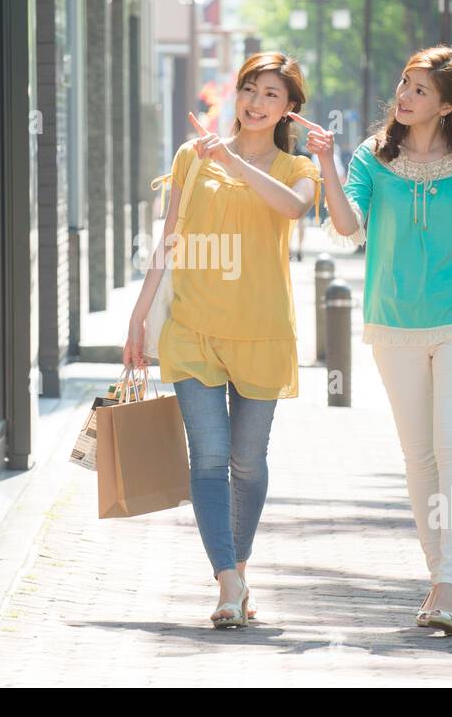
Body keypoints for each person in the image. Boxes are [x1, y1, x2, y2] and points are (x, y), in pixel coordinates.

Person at [314, 45, 452, 636]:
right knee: (419, 458)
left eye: (419, 90)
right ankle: (438, 576)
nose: (404, 96)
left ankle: (449, 583)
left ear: (448, 104)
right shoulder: (371, 159)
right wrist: (328, 165)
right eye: (404, 84)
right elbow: (348, 228)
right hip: (394, 324)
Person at [124, 52, 322, 629]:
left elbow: (292, 209)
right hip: (192, 328)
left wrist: (233, 162)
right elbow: (168, 239)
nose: (256, 104)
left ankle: (238, 564)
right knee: (208, 460)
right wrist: (140, 318)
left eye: (271, 96)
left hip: (261, 330)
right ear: (236, 95)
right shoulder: (192, 156)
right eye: (250, 91)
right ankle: (228, 581)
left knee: (248, 463)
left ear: (289, 109)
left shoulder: (296, 168)